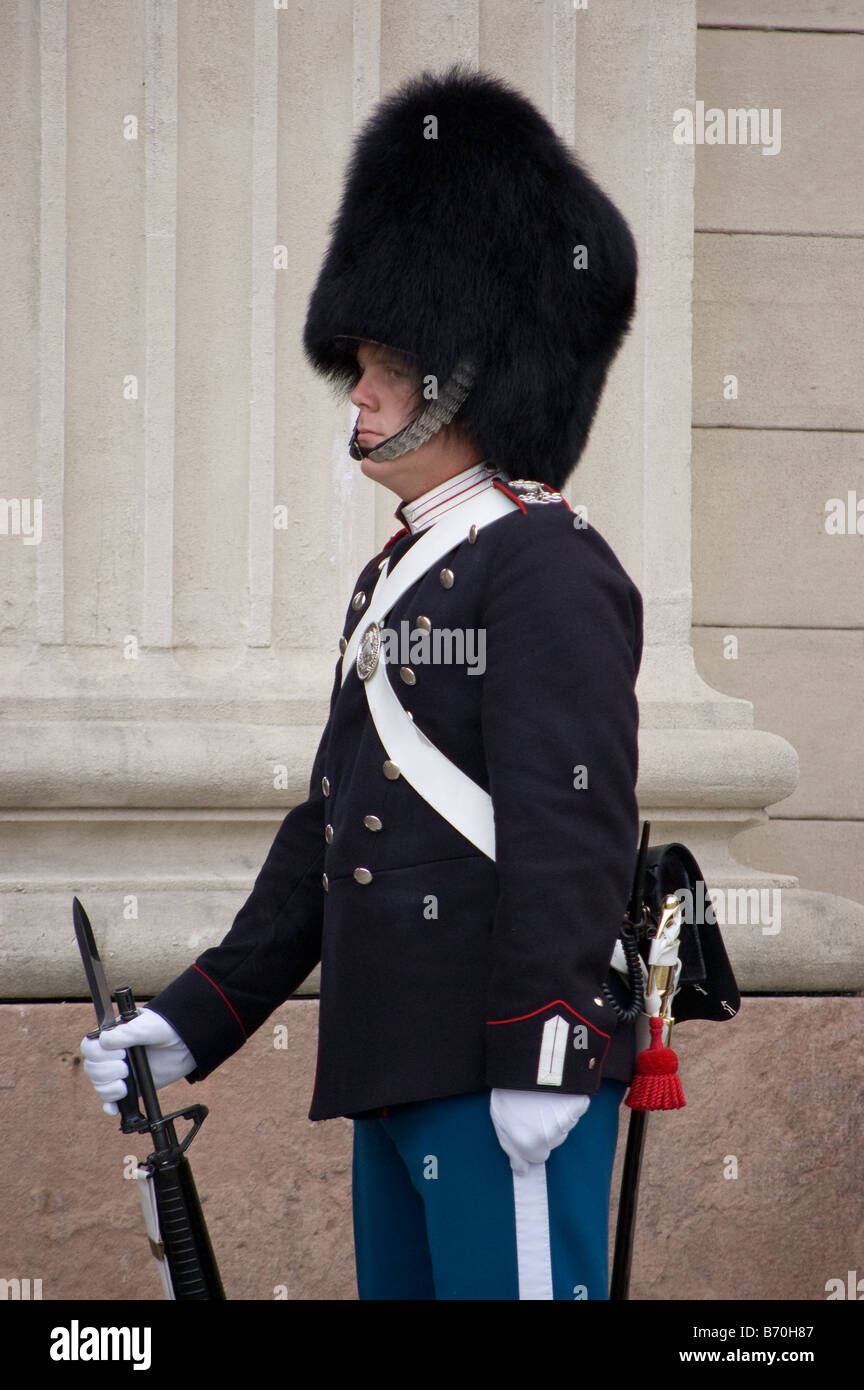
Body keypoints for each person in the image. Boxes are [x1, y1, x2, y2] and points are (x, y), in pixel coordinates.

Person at [81, 65, 642, 1301]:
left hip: (501, 1069)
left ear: (471, 374)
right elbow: (336, 831)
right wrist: (196, 1018)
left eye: (392, 360)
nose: (362, 385)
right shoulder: (404, 572)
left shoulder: (543, 561)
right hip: (399, 1064)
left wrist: (548, 1046)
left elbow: (572, 821)